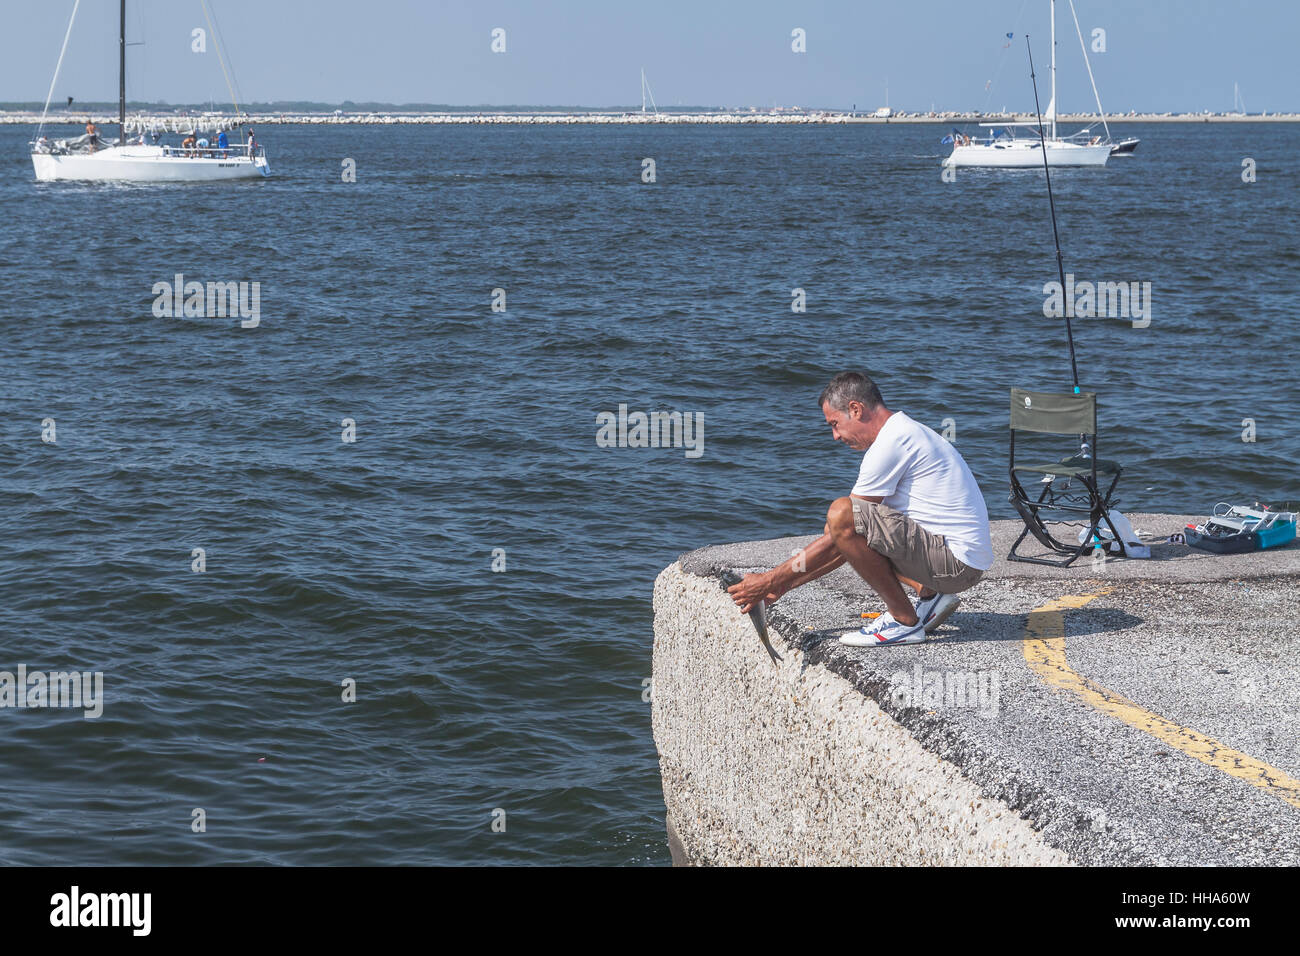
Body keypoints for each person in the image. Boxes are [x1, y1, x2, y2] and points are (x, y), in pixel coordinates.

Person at [727, 371, 994, 647]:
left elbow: (843, 528)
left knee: (842, 514)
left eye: (835, 424)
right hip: (958, 561)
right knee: (843, 526)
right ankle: (927, 593)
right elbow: (844, 541)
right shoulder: (904, 431)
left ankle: (905, 622)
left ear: (855, 409)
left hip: (955, 565)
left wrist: (769, 581)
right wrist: (783, 586)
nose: (835, 436)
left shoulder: (892, 442)